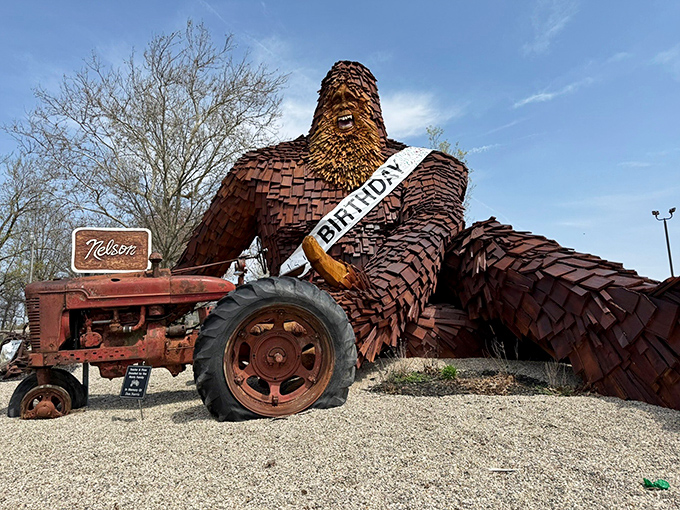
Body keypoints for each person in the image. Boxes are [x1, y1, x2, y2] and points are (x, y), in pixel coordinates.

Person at [177, 61, 680, 410]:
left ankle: (645, 322)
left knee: (487, 247)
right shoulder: (261, 171)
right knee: (456, 329)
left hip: (404, 294)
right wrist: (156, 320)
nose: (345, 104)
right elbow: (197, 267)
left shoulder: (430, 168)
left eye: (357, 97)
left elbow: (429, 231)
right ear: (317, 110)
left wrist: (366, 295)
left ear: (376, 108)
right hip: (308, 307)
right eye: (335, 99)